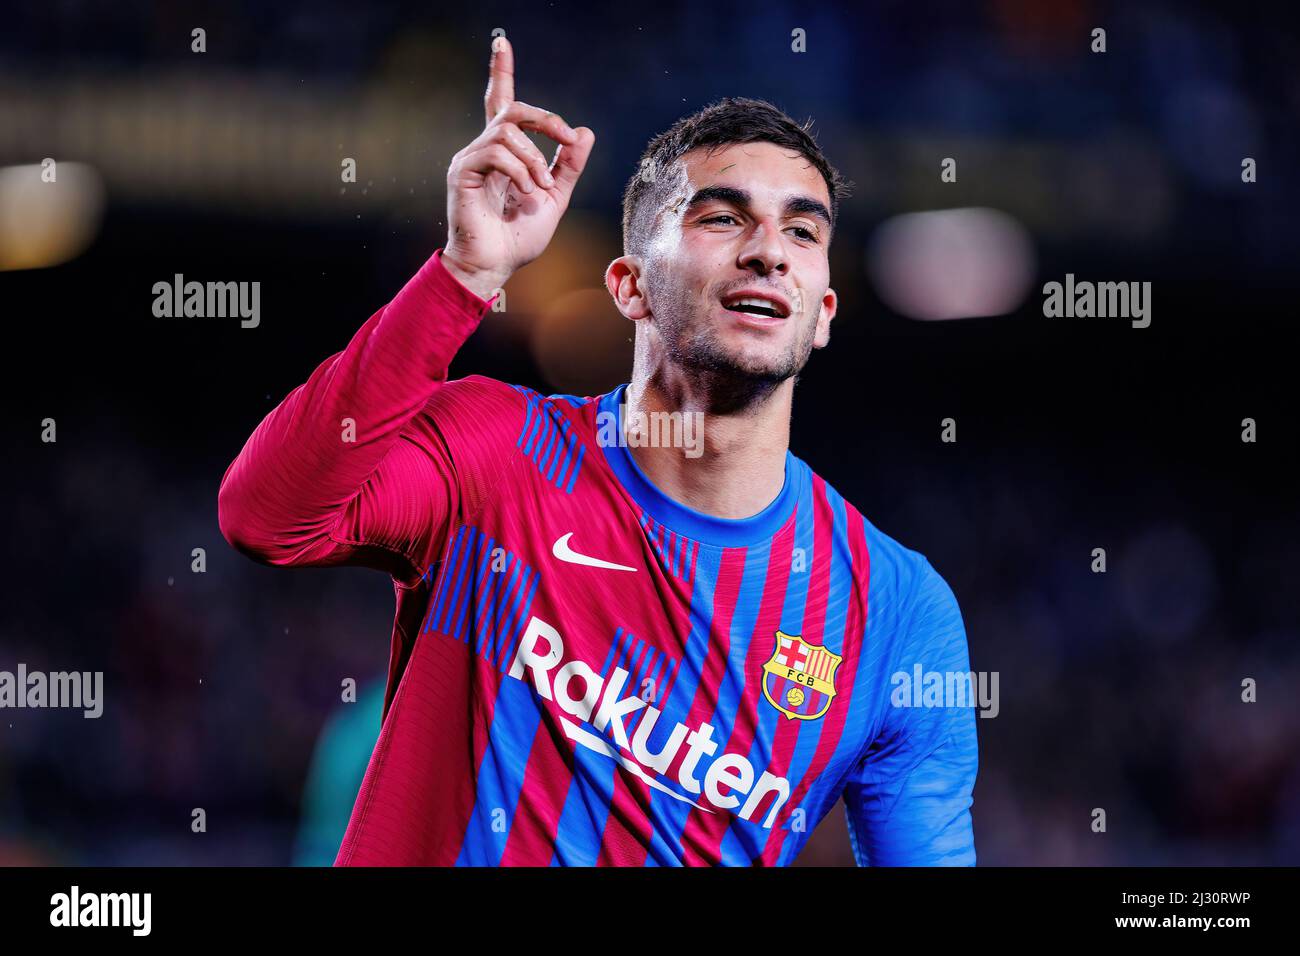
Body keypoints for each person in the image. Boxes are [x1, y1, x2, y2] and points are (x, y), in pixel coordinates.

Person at [218, 35, 977, 866]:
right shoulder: (497, 450)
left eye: (802, 230)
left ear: (823, 310)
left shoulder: (899, 613)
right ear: (629, 285)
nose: (767, 249)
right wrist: (461, 276)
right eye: (722, 217)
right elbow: (268, 517)